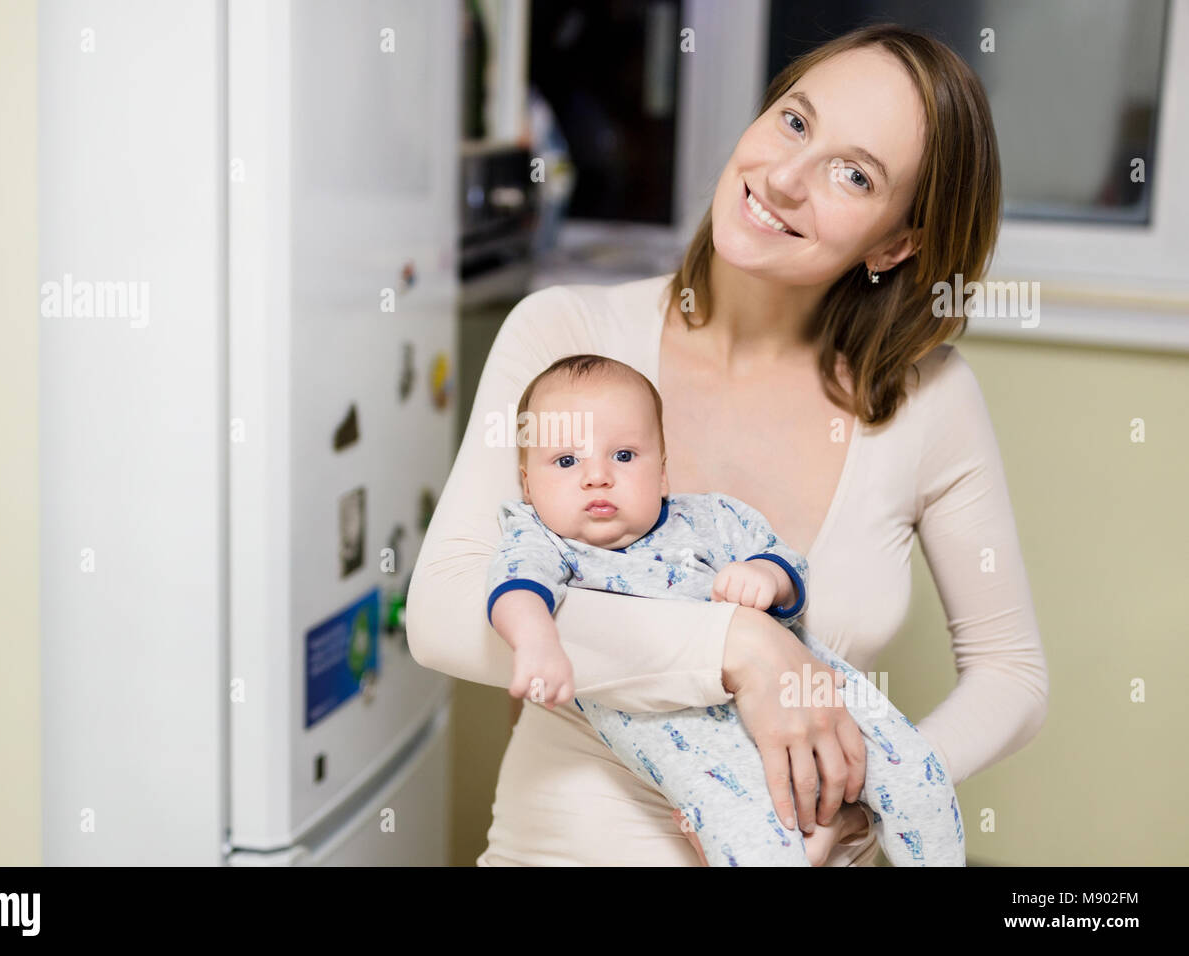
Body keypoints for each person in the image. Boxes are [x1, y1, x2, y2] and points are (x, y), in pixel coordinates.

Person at [406, 23, 1048, 866]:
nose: (784, 180)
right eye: (793, 122)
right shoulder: (569, 335)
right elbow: (445, 613)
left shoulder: (926, 399)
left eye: (853, 174)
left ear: (896, 243)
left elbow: (1012, 675)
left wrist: (870, 801)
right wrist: (741, 651)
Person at [485, 353, 965, 866]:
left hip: (813, 697)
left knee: (919, 776)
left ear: (663, 475)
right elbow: (517, 587)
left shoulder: (711, 517)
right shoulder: (540, 539)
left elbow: (786, 561)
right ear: (529, 485)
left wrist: (765, 577)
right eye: (566, 461)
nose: (597, 476)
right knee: (762, 846)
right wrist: (537, 642)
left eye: (624, 456)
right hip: (694, 745)